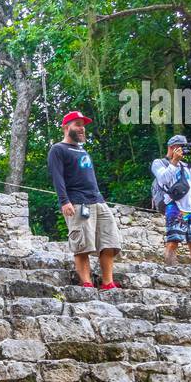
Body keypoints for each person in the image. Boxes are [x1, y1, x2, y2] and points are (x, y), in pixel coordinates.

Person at [48, 110, 122, 290]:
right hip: (77, 202)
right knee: (82, 245)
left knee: (109, 242)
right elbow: (57, 178)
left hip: (98, 200)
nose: (82, 129)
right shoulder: (58, 149)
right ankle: (86, 283)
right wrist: (64, 201)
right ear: (66, 127)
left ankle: (107, 283)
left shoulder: (82, 150)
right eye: (78, 125)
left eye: (83, 125)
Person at [151, 134, 191, 269]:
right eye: (181, 146)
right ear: (172, 147)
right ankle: (170, 273)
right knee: (173, 241)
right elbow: (163, 179)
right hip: (175, 207)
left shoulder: (186, 166)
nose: (183, 150)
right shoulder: (159, 163)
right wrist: (174, 161)